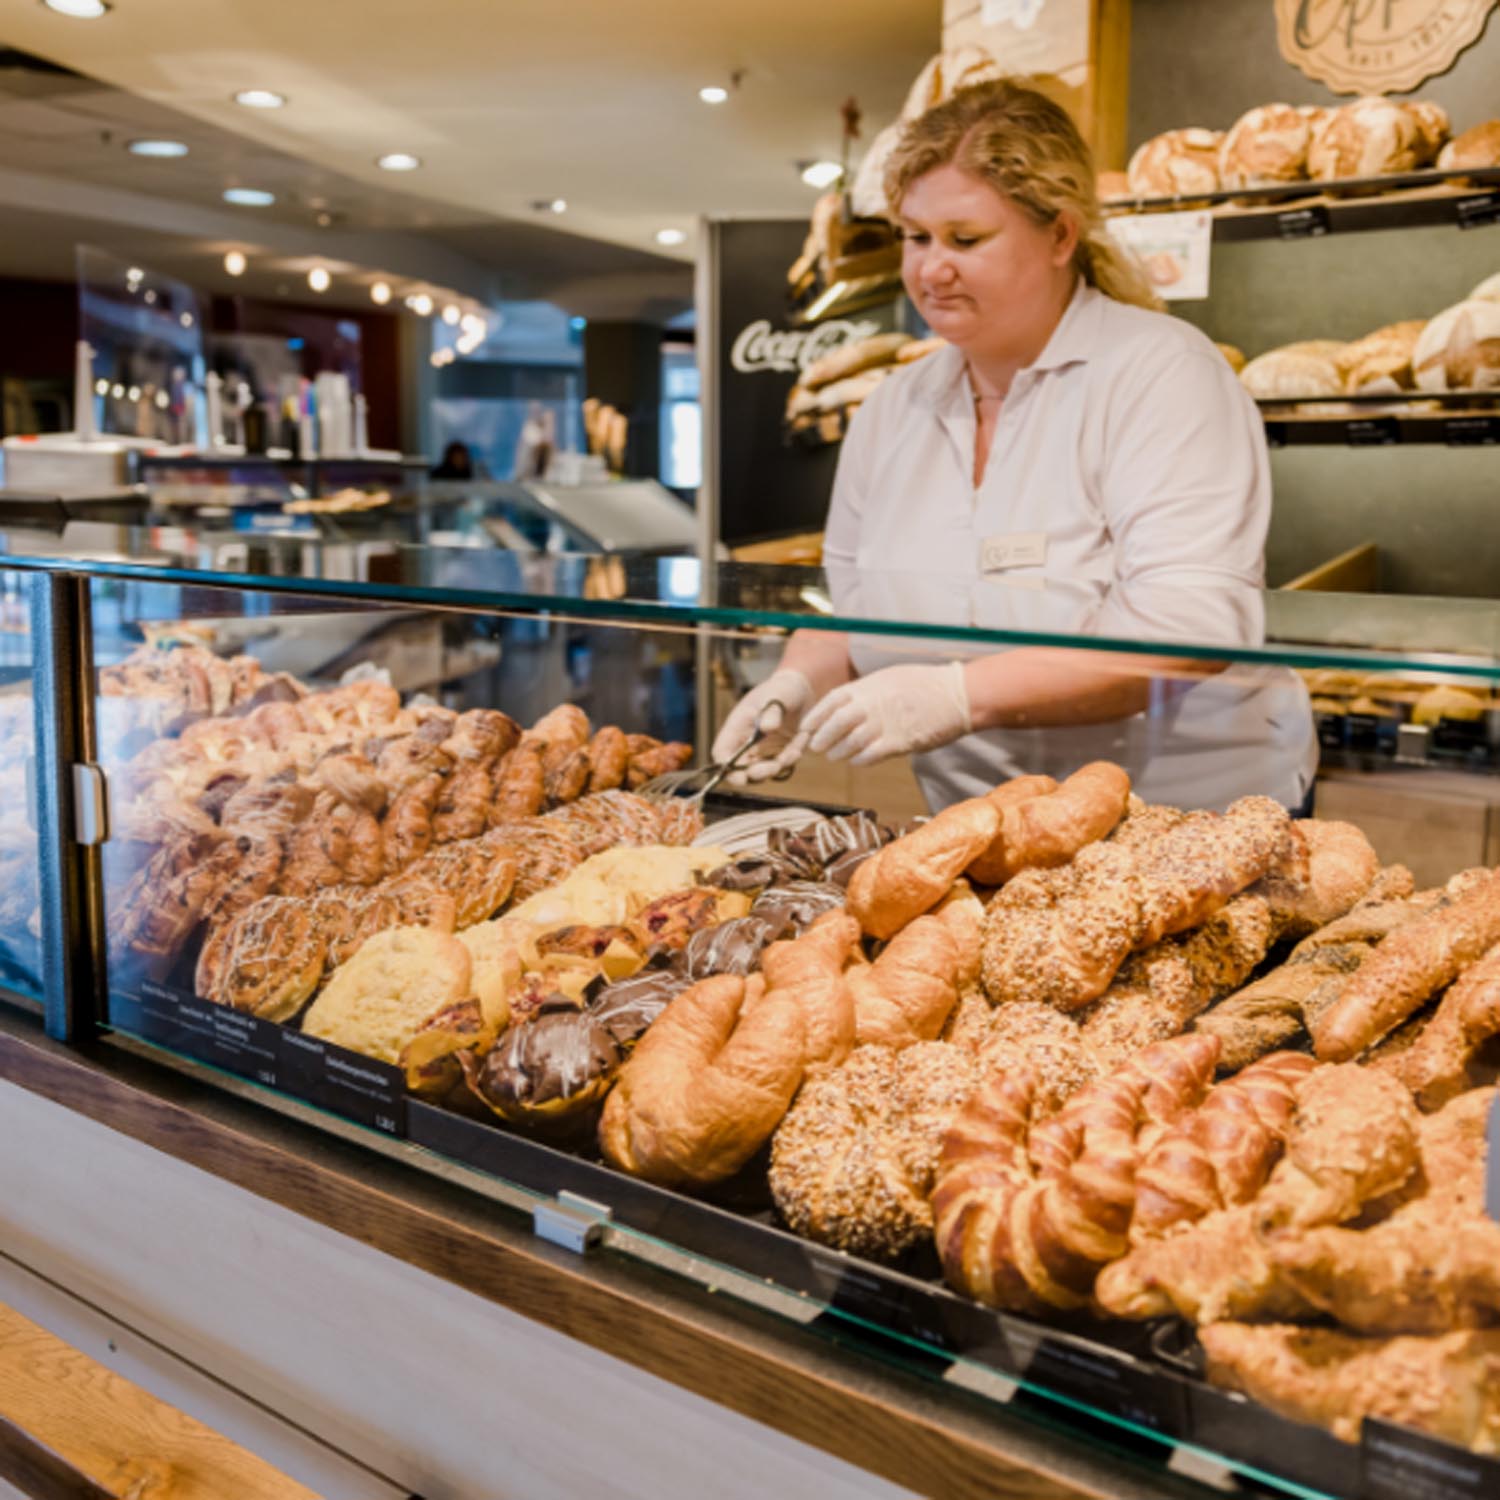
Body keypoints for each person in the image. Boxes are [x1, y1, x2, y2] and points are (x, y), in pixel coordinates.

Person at [713, 78, 1314, 812]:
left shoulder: (1162, 374)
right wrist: (797, 684)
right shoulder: (890, 411)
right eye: (916, 237)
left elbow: (1188, 632)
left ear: (1061, 234)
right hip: (978, 823)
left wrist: (959, 695)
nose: (932, 269)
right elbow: (851, 609)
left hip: (1182, 820)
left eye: (966, 240)